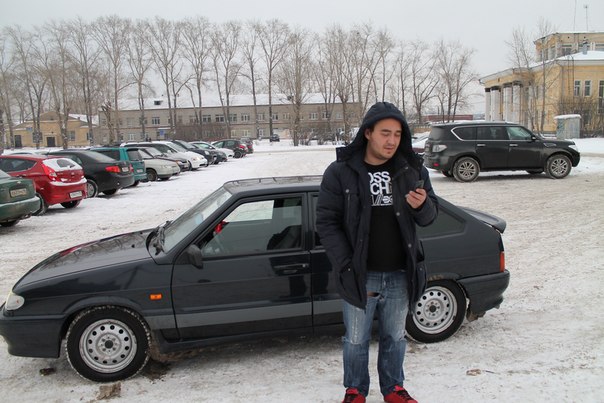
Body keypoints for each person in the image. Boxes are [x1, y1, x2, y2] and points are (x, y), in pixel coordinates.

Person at [316, 102, 438, 403]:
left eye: (397, 134)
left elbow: (430, 216)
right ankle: (355, 390)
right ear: (368, 133)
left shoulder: (412, 169)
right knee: (356, 338)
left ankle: (393, 387)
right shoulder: (341, 172)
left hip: (400, 272)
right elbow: (327, 222)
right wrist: (346, 264)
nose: (392, 141)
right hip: (360, 274)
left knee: (395, 335)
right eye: (385, 133)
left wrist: (422, 206)